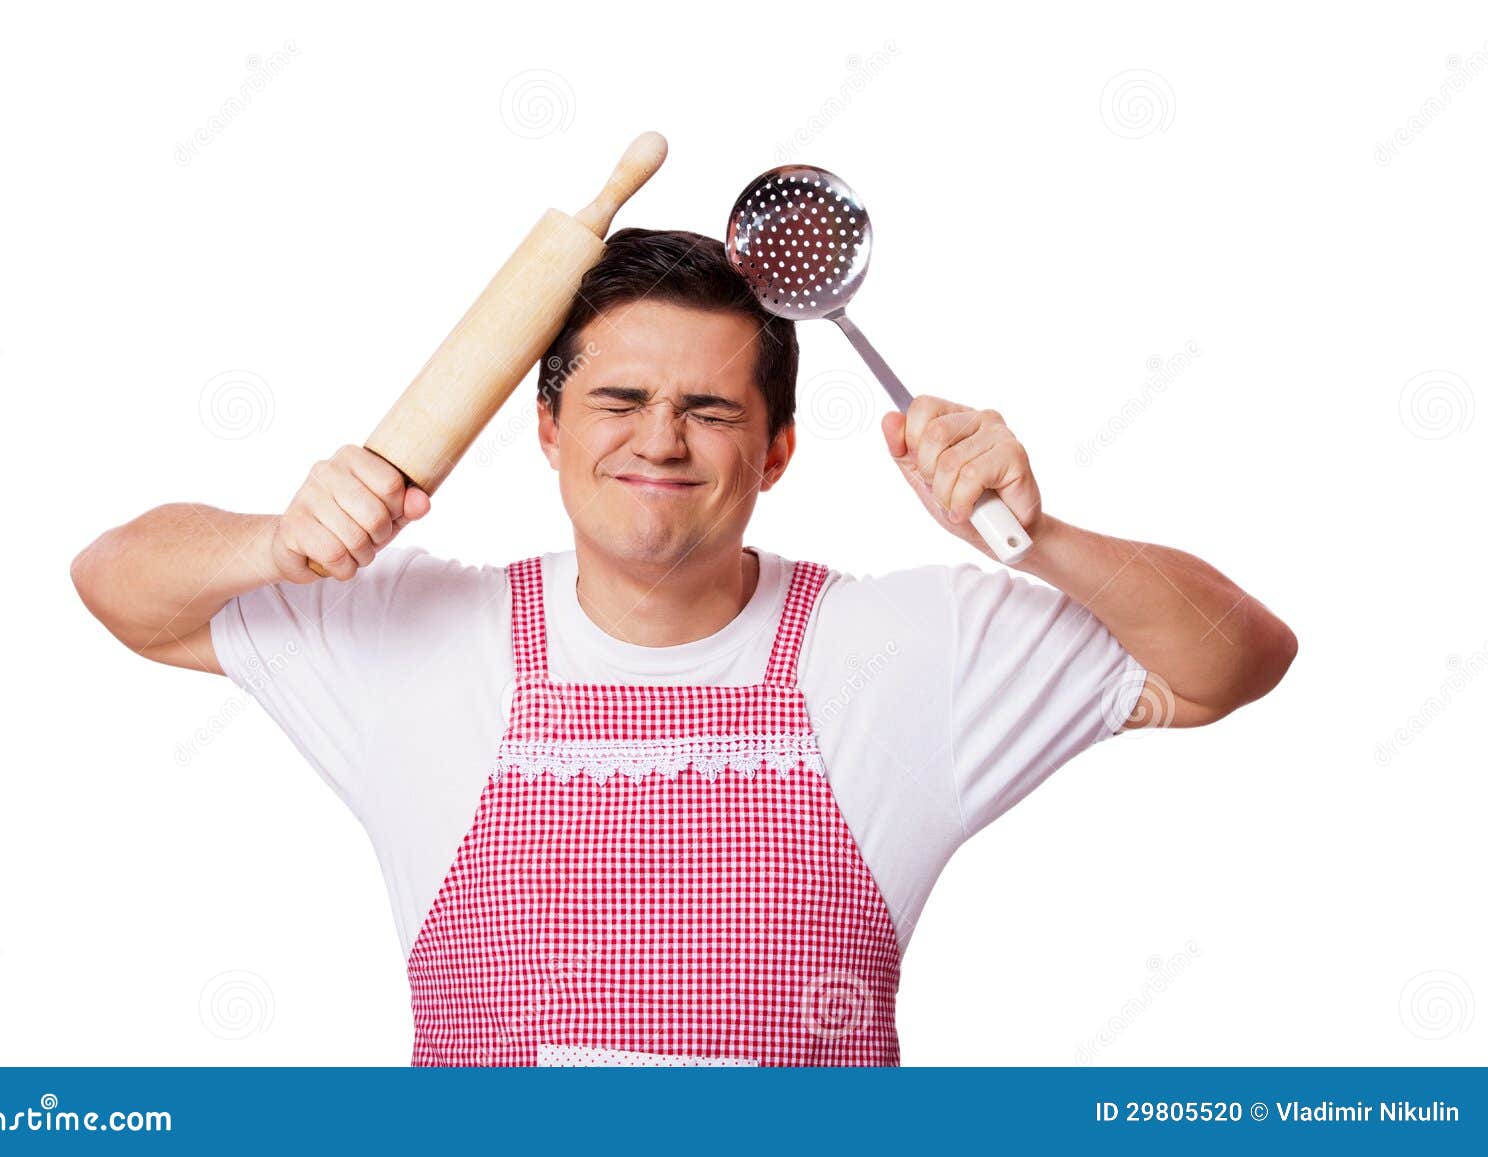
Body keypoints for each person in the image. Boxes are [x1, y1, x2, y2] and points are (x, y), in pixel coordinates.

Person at [71, 228, 1296, 1067]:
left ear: (774, 452)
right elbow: (121, 583)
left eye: (710, 409)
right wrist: (276, 542)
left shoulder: (911, 644)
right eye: (617, 401)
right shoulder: (411, 631)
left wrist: (1041, 536)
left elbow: (1232, 661)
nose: (660, 439)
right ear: (545, 427)